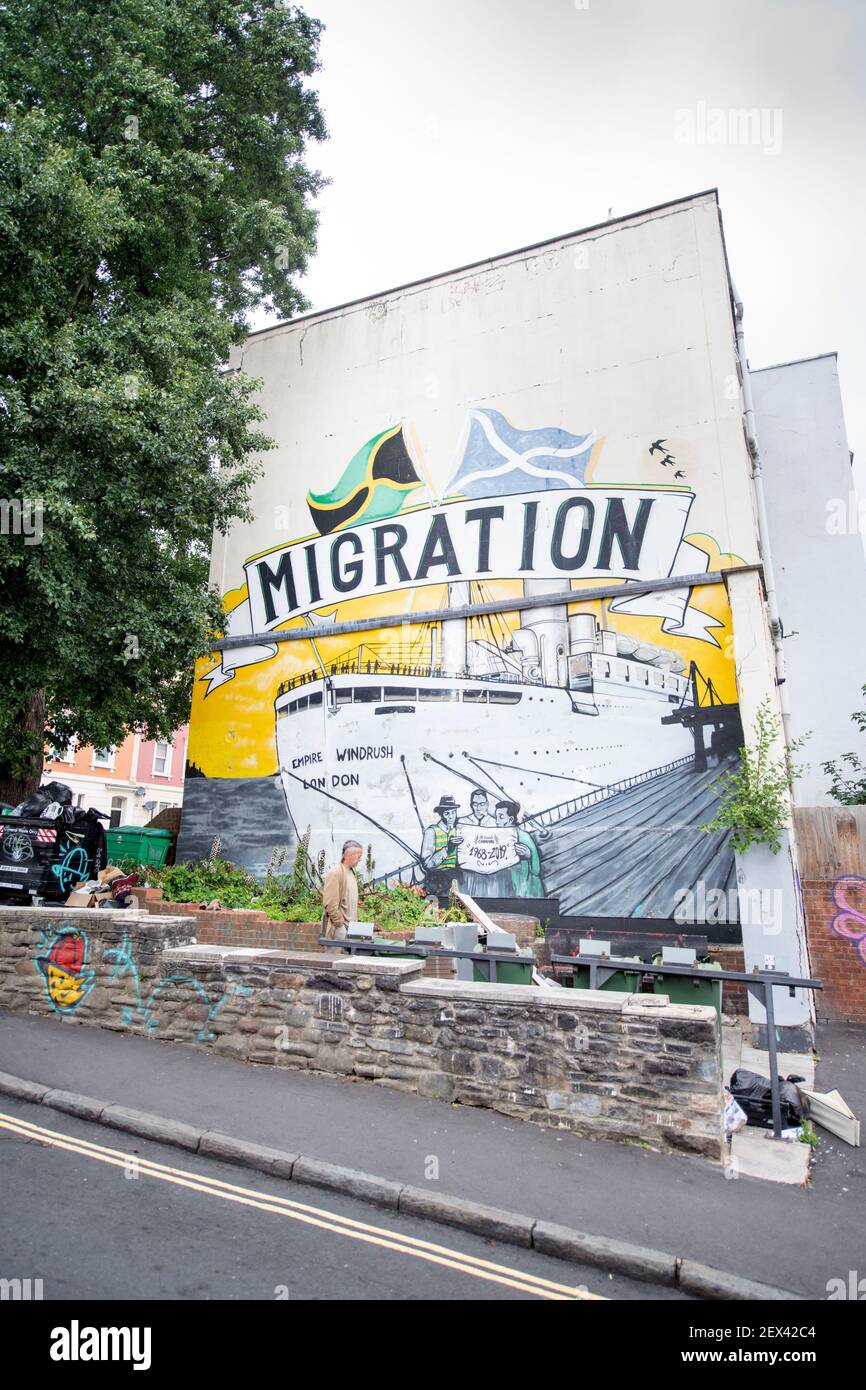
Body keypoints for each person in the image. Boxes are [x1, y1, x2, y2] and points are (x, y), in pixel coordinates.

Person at [494, 800, 544, 898]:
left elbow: (536, 869)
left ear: (511, 819)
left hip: (527, 891)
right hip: (508, 889)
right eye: (496, 817)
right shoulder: (498, 838)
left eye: (500, 817)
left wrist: (529, 855)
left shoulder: (523, 837)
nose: (497, 821)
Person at [420, 795, 463, 902]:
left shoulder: (456, 831)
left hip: (454, 879)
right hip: (437, 881)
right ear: (440, 814)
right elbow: (427, 864)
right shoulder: (431, 832)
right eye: (447, 813)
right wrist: (447, 849)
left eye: (453, 812)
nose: (451, 817)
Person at [321, 840, 363, 940]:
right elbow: (330, 904)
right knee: (334, 956)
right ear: (349, 855)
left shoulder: (352, 872)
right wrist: (339, 925)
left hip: (352, 928)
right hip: (339, 929)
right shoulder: (335, 873)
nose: (360, 859)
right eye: (359, 856)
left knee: (349, 956)